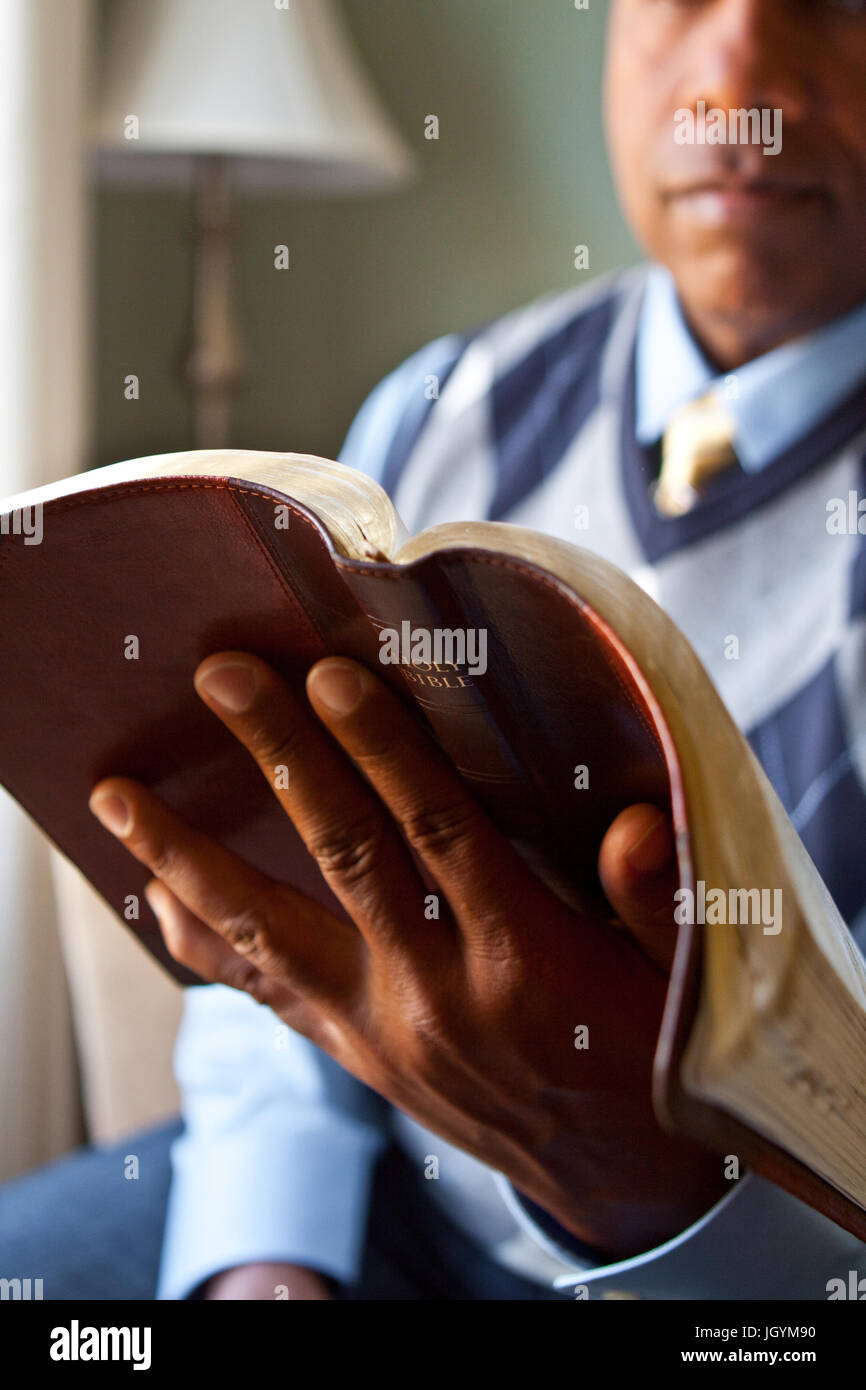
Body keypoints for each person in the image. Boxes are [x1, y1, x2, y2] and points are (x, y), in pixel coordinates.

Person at [3, 0, 866, 1301]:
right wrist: (265, 1251)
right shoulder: (437, 407)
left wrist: (649, 1200)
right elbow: (292, 929)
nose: (736, 75)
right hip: (374, 1209)